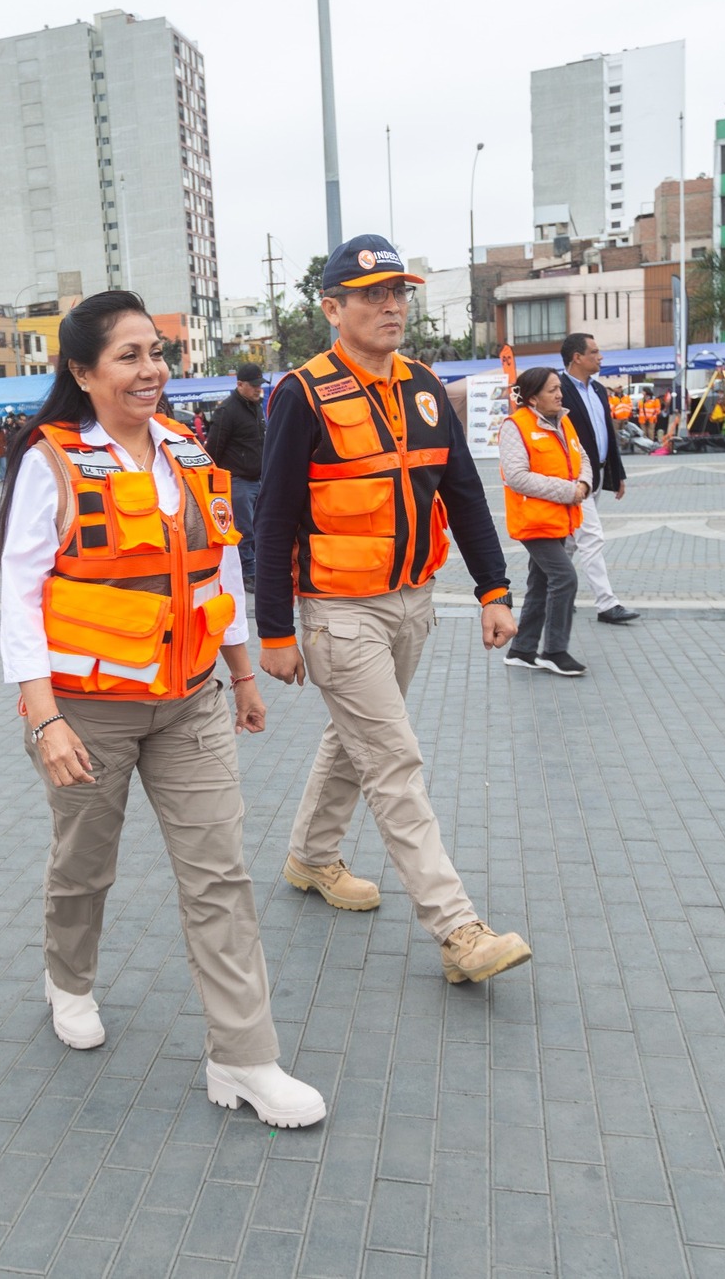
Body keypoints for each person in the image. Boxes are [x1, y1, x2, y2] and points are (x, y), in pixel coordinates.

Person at [0, 289, 324, 1129]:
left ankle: (243, 1058)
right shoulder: (53, 461)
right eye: (129, 356)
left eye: (157, 353)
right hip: (88, 708)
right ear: (82, 370)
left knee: (220, 874)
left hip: (191, 701)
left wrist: (243, 673)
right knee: (85, 862)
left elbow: (219, 571)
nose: (152, 371)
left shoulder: (186, 450)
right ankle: (68, 978)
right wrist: (45, 718)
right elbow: (19, 595)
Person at [254, 234, 531, 986]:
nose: (390, 306)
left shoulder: (424, 386)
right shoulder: (302, 393)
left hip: (411, 603)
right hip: (339, 613)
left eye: (398, 292)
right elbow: (274, 515)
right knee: (395, 761)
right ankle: (457, 929)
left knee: (357, 741)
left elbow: (463, 493)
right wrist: (274, 629)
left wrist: (494, 588)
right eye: (371, 294)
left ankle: (311, 858)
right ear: (332, 308)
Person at [499, 368, 594, 676]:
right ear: (533, 398)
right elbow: (517, 477)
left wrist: (585, 485)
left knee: (540, 583)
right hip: (534, 521)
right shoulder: (516, 426)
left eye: (559, 388)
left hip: (560, 519)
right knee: (565, 578)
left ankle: (522, 649)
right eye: (552, 389)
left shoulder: (563, 421)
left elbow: (583, 458)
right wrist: (570, 491)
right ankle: (553, 651)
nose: (559, 394)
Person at [555, 335, 640, 625]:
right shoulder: (559, 390)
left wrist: (618, 475)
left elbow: (607, 435)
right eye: (594, 352)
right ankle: (607, 604)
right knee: (591, 537)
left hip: (598, 472)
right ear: (577, 357)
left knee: (568, 541)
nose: (600, 357)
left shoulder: (600, 391)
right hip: (575, 478)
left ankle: (553, 596)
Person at [205, 362, 266, 585]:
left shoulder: (256, 407)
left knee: (260, 528)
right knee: (244, 529)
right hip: (238, 480)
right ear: (240, 384)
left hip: (259, 478)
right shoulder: (227, 410)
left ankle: (257, 569)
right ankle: (248, 573)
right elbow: (214, 448)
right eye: (254, 385)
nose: (258, 389)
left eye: (260, 385)